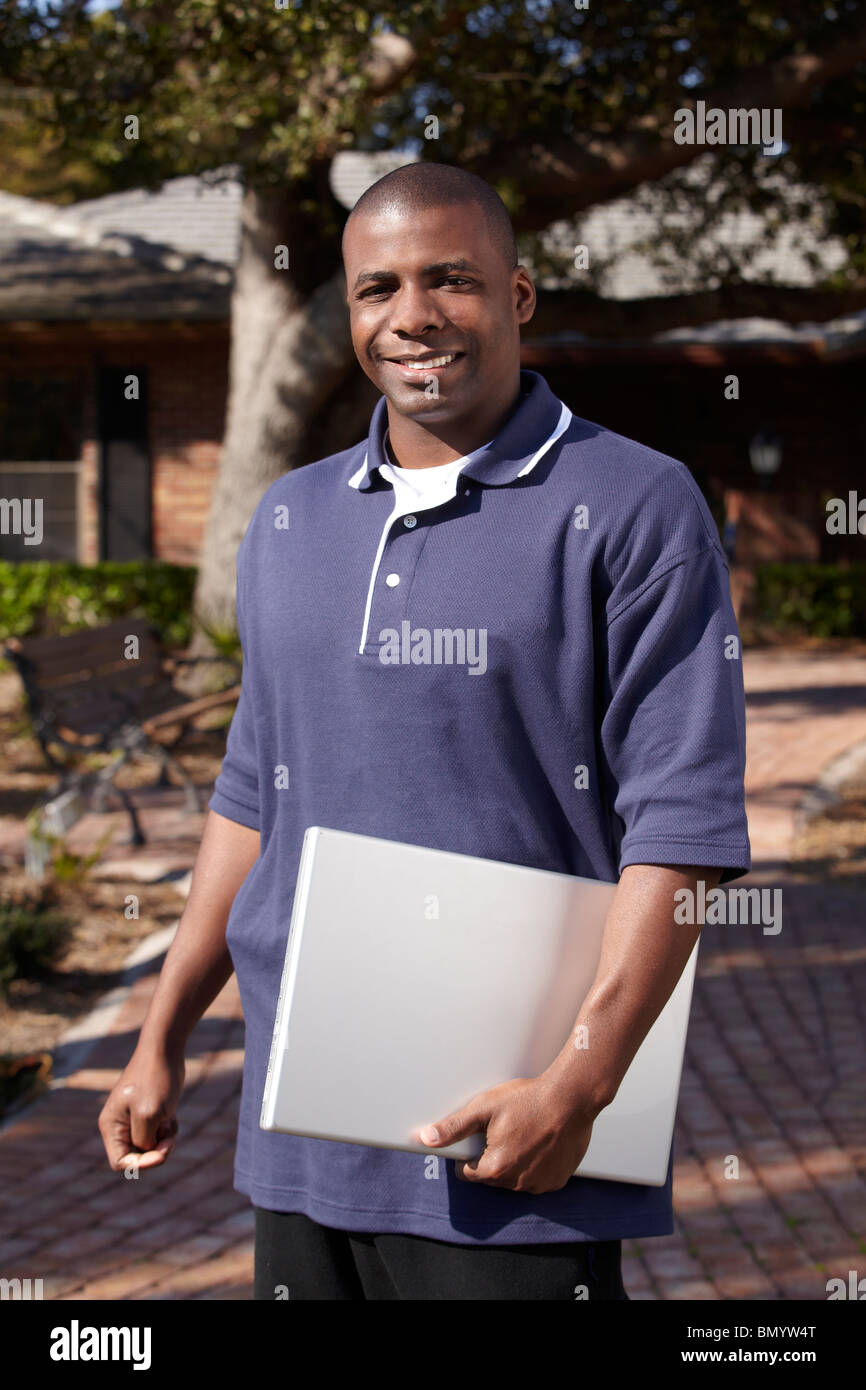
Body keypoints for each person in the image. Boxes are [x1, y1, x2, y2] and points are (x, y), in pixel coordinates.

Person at [98, 163, 750, 1301]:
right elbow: (254, 789)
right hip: (301, 1130)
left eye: (450, 279)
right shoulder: (290, 519)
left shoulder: (639, 505)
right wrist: (161, 1032)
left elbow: (682, 826)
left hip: (510, 1141)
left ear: (518, 294)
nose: (412, 315)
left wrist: (581, 1085)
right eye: (376, 288)